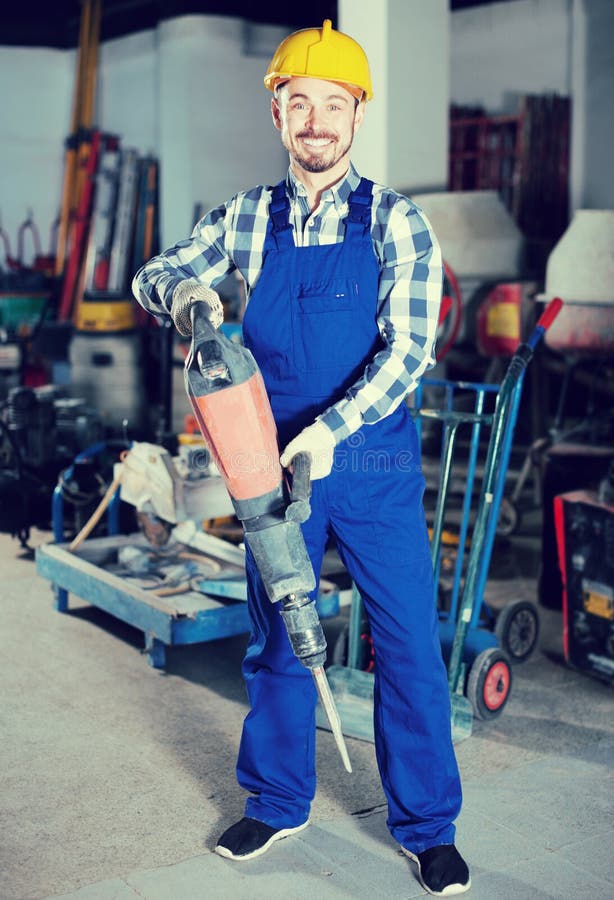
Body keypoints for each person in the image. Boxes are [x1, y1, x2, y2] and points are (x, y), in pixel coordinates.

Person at [132, 19, 470, 897]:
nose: (316, 121)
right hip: (269, 467)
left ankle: (428, 827)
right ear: (277, 114)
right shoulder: (246, 217)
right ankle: (278, 802)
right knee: (280, 636)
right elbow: (151, 273)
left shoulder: (395, 220)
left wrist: (333, 428)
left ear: (356, 115)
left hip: (370, 466)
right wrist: (188, 291)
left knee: (408, 643)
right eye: (299, 103)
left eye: (333, 104)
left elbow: (409, 351)